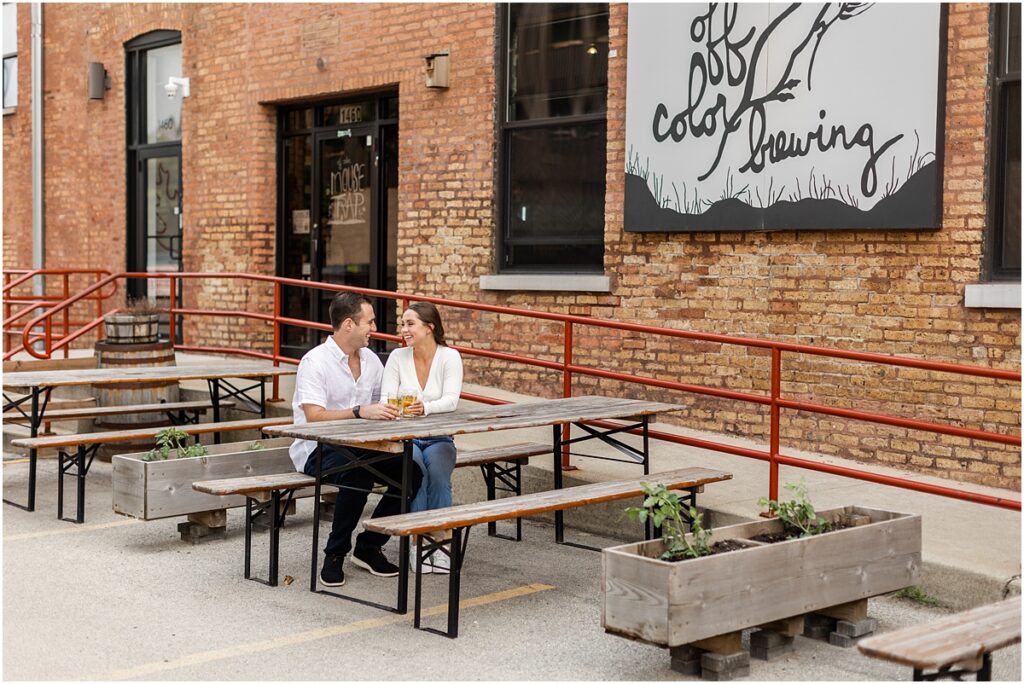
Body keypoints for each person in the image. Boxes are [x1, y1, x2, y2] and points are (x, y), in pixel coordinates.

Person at [288, 292, 419, 588]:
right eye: (369, 321)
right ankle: (334, 555)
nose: (374, 327)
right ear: (349, 324)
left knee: (412, 472)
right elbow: (314, 417)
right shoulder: (315, 362)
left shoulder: (372, 360)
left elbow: (380, 406)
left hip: (362, 447)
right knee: (357, 474)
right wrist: (360, 412)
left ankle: (369, 546)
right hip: (316, 448)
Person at [381, 302, 463, 574]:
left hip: (439, 436)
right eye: (402, 324)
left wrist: (426, 407)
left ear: (429, 327)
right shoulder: (397, 358)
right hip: (407, 437)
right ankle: (418, 544)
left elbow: (451, 400)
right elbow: (386, 399)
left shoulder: (449, 356)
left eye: (410, 324)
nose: (404, 330)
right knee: (416, 476)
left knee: (439, 477)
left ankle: (441, 544)